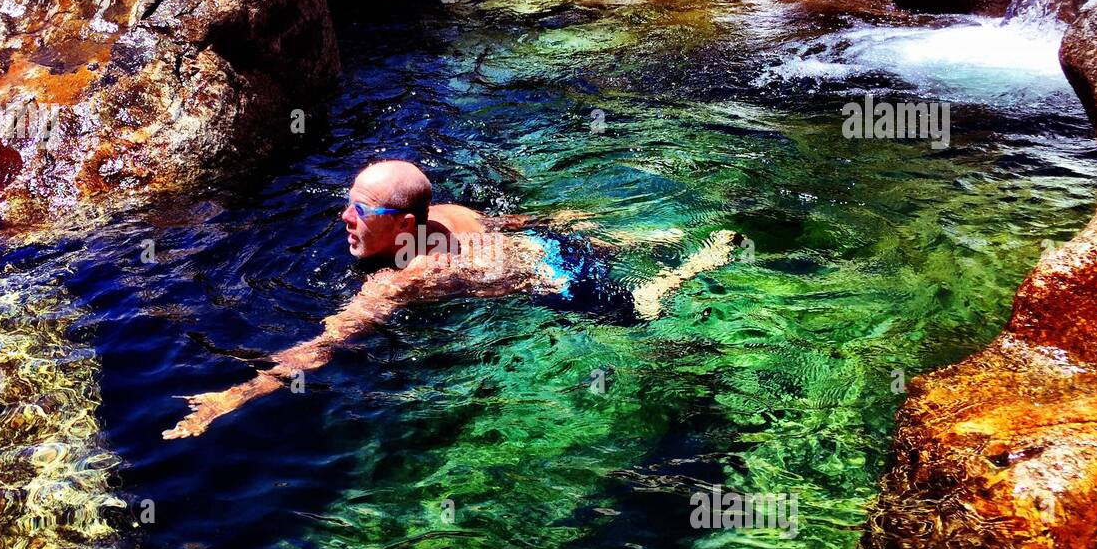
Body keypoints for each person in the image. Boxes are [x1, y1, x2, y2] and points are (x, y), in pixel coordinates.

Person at [163, 160, 736, 438]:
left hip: (555, 282)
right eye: (349, 202)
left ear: (405, 222)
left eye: (361, 211)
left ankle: (695, 262)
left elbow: (323, 346)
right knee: (597, 254)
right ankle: (640, 238)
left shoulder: (405, 277)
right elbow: (505, 222)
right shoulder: (446, 216)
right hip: (538, 243)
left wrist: (231, 399)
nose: (345, 216)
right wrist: (571, 221)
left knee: (643, 308)